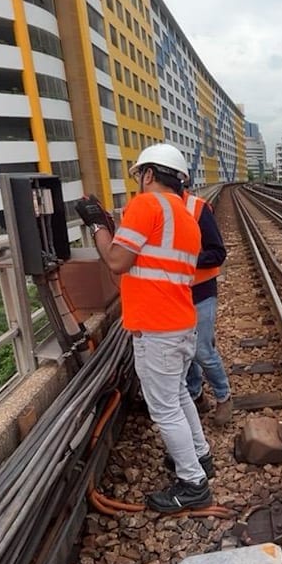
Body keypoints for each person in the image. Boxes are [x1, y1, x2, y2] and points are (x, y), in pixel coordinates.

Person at [75, 143, 214, 513]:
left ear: (149, 174)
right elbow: (145, 269)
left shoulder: (145, 205)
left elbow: (118, 261)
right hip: (180, 321)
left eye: (140, 176)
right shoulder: (186, 217)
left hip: (157, 327)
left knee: (165, 407)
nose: (139, 183)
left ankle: (193, 482)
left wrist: (97, 228)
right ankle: (200, 456)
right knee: (180, 396)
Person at [183, 184, 233, 427]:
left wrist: (184, 260)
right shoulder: (153, 210)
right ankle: (196, 394)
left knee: (202, 350)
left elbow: (217, 253)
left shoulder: (197, 208)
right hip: (171, 295)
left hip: (200, 292)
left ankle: (224, 396)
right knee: (184, 352)